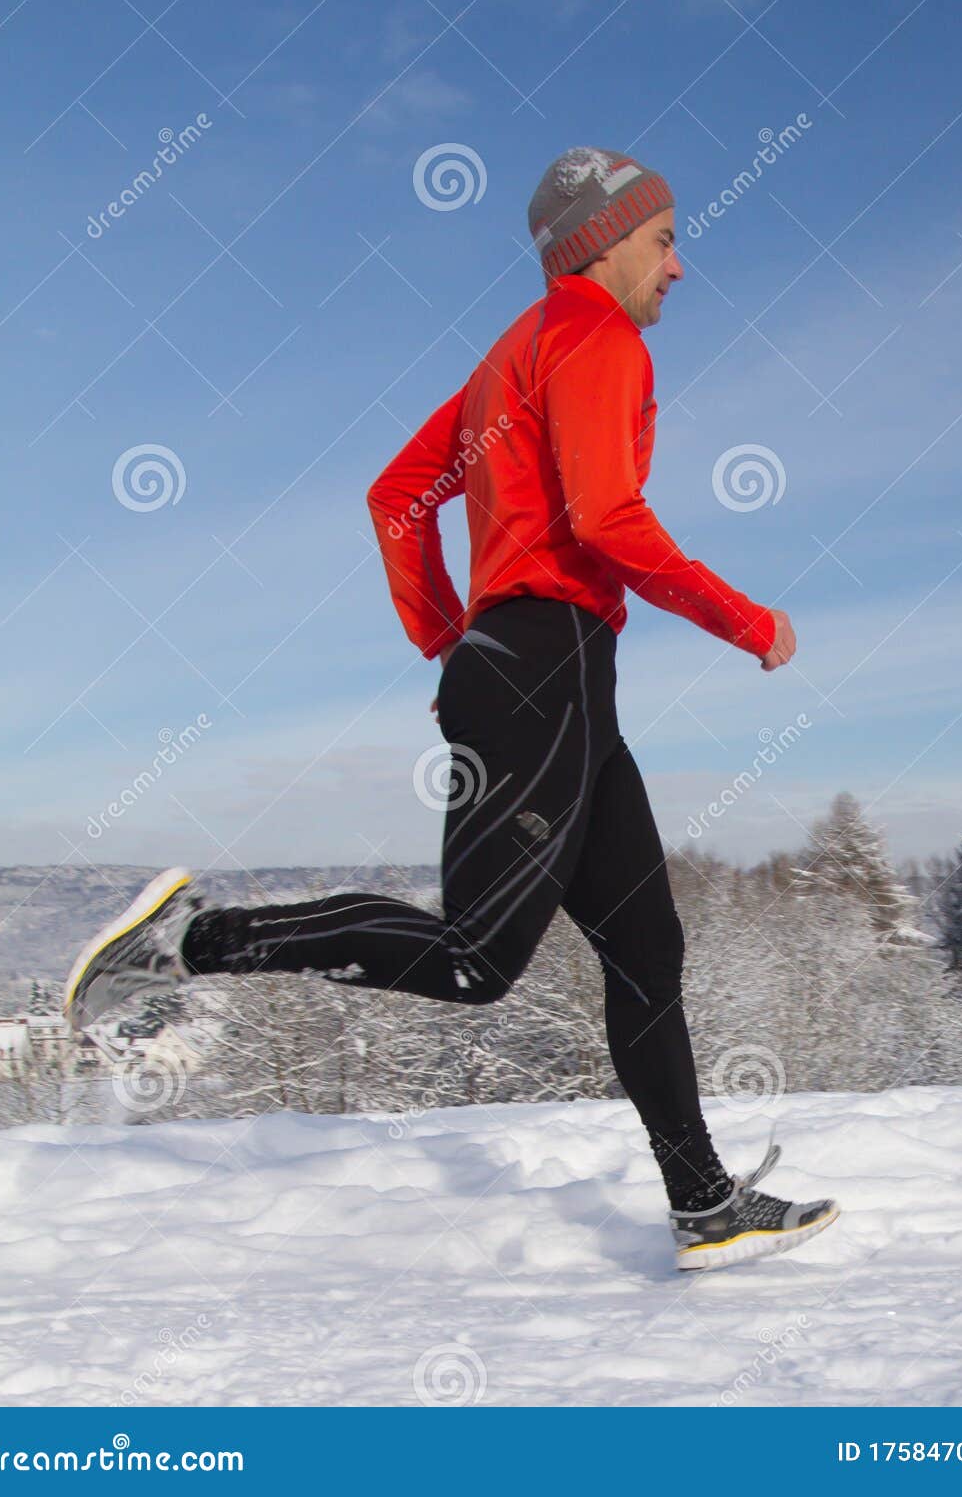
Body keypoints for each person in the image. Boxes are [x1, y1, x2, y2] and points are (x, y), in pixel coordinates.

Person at [63, 146, 838, 1272]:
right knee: (479, 958)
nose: (679, 265)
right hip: (547, 665)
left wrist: (449, 636)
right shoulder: (594, 338)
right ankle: (185, 947)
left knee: (645, 945)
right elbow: (610, 519)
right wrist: (748, 621)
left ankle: (701, 1200)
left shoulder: (509, 359)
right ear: (604, 242)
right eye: (663, 239)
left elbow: (396, 497)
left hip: (541, 670)